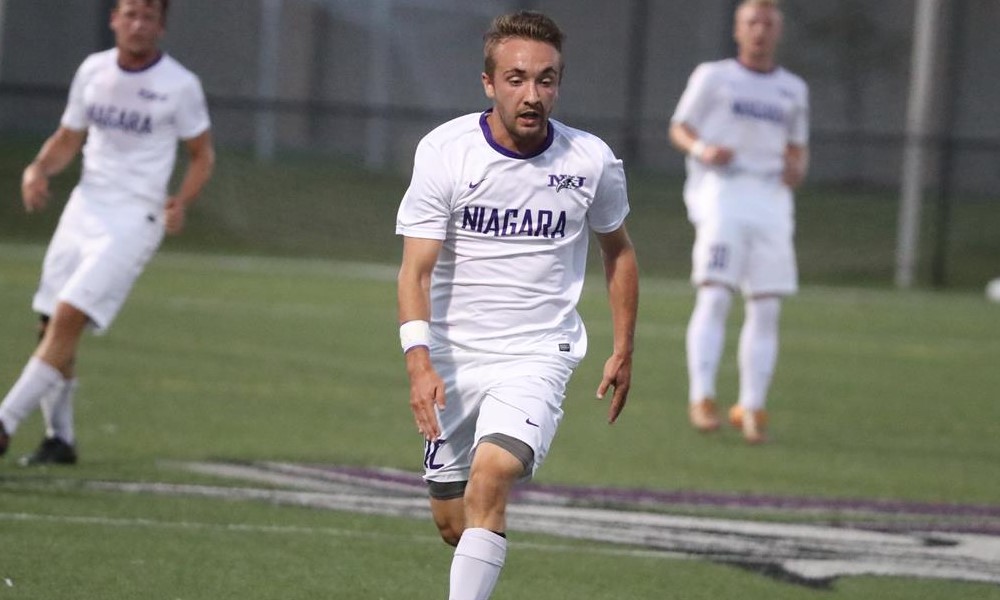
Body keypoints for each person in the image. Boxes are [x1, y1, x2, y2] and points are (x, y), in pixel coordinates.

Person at [396, 11, 638, 599]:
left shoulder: (590, 161)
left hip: (538, 351)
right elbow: (415, 270)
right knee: (455, 523)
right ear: (488, 83)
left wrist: (622, 349)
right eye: (516, 78)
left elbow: (620, 252)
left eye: (546, 80)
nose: (533, 95)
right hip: (453, 357)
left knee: (493, 476)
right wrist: (419, 362)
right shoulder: (445, 152)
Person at [0, 0, 214, 464]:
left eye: (148, 17)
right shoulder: (93, 71)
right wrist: (37, 169)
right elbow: (68, 137)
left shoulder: (179, 85)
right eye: (130, 14)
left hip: (136, 218)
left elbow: (202, 153)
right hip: (85, 207)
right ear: (114, 19)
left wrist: (182, 201)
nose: (138, 24)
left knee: (69, 315)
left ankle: (5, 422)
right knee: (48, 324)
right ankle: (61, 439)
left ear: (161, 26)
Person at [669, 0, 808, 444]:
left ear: (778, 30)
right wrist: (703, 150)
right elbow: (680, 127)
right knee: (716, 294)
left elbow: (796, 147)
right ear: (737, 29)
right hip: (723, 194)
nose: (760, 31)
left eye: (767, 23)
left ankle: (752, 405)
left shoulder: (792, 89)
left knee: (767, 305)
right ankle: (702, 395)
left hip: (771, 200)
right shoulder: (714, 77)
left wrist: (796, 167)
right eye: (752, 22)